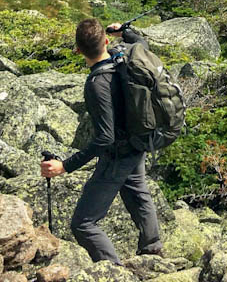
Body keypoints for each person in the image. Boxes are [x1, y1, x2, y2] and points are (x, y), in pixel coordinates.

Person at [40, 19, 163, 264]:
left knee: (83, 223)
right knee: (137, 190)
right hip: (138, 143)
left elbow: (105, 137)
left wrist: (65, 166)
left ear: (77, 50)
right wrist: (125, 32)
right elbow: (142, 44)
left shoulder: (97, 84)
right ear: (107, 41)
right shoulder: (124, 56)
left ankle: (114, 272)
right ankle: (152, 248)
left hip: (118, 154)